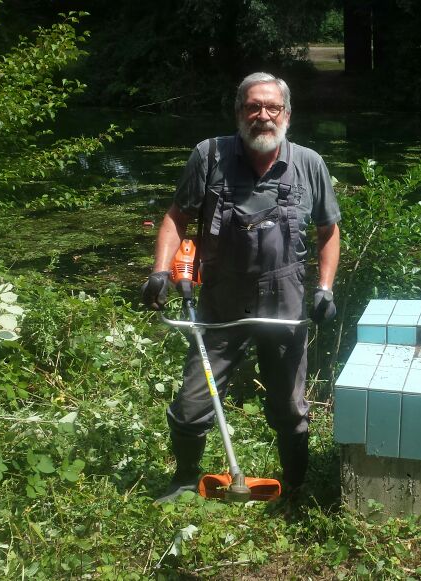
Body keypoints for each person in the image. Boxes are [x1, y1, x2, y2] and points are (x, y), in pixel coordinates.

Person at [141, 72, 341, 503]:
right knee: (193, 405)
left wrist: (324, 289)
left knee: (290, 409)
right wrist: (160, 270)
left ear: (287, 114)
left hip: (284, 301)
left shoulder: (309, 164)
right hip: (220, 300)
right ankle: (183, 480)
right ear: (239, 113)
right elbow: (177, 217)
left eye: (272, 108)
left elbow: (329, 230)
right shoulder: (208, 156)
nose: (263, 116)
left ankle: (297, 487)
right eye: (253, 107)